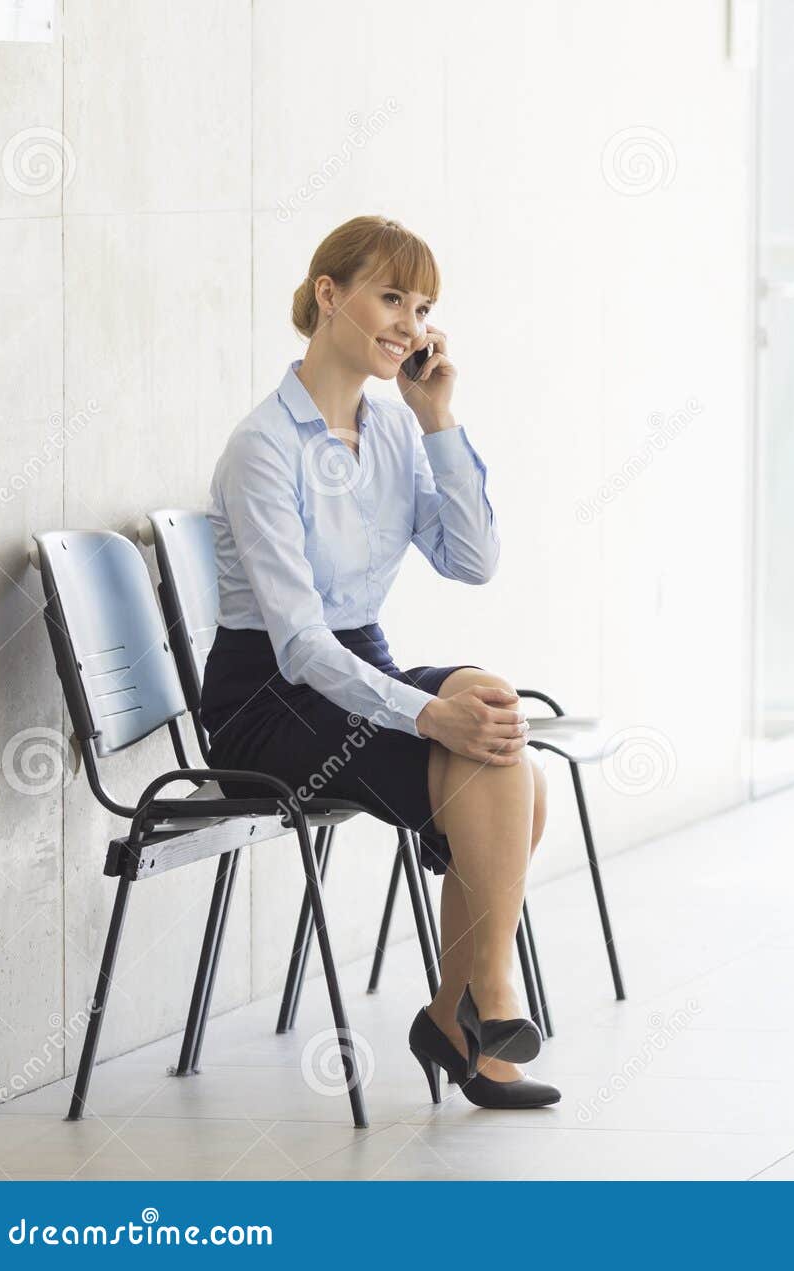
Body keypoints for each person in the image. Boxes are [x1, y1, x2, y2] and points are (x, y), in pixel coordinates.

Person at [199, 214, 558, 1109]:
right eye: (390, 296)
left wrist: (438, 420)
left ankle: (454, 1005)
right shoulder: (263, 448)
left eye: (423, 303)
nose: (409, 321)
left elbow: (473, 561)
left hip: (356, 664)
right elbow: (298, 642)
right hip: (267, 698)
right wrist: (425, 712)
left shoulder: (396, 430)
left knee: (495, 710)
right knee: (489, 750)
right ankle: (480, 1003)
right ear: (330, 296)